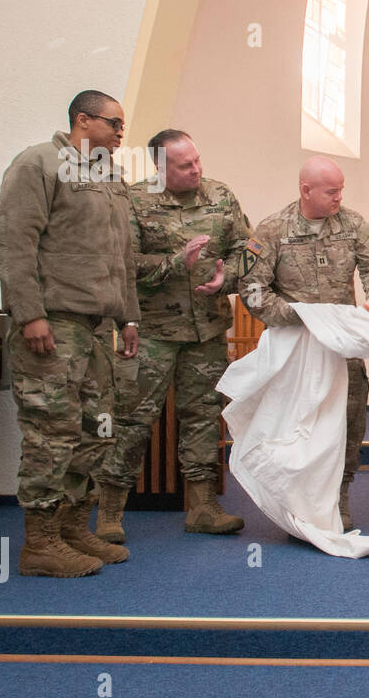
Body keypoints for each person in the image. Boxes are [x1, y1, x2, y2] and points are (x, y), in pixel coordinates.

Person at [0, 90, 139, 577]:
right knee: (51, 434)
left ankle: (74, 527)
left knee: (96, 430)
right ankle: (41, 544)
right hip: (52, 325)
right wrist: (28, 313)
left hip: (95, 330)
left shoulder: (108, 176)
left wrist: (128, 317)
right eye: (114, 124)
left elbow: (122, 256)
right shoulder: (39, 164)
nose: (121, 134)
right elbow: (15, 242)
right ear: (83, 120)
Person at [95, 130, 254, 541]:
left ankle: (202, 507)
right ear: (160, 168)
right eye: (185, 165)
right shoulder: (134, 200)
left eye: (198, 160)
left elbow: (245, 249)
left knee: (202, 416)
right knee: (132, 418)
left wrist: (227, 276)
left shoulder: (221, 195)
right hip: (152, 332)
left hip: (208, 330)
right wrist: (173, 262)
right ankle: (109, 514)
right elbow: (122, 263)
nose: (196, 170)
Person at [240, 156, 369, 531]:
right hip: (294, 347)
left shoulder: (355, 225)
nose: (339, 196)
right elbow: (252, 289)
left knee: (348, 420)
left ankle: (338, 500)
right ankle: (296, 507)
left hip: (341, 346)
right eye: (331, 191)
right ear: (305, 190)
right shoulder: (272, 230)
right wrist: (300, 317)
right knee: (298, 427)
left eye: (341, 189)